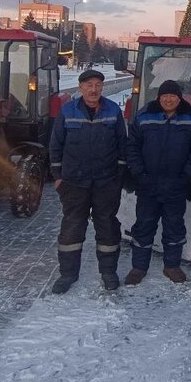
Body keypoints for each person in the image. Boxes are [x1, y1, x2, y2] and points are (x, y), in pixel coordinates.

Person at [49, 69, 128, 294]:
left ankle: (108, 272)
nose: (93, 89)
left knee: (107, 228)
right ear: (81, 87)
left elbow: (123, 145)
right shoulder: (67, 111)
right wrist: (58, 178)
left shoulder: (113, 110)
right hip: (74, 183)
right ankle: (68, 274)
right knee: (72, 228)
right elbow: (56, 146)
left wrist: (117, 179)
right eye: (89, 85)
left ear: (102, 88)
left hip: (105, 182)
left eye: (97, 85)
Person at [125, 80, 191, 285]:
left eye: (173, 96)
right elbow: (132, 147)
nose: (169, 99)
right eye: (165, 96)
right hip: (148, 184)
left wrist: (187, 175)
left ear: (179, 99)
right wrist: (139, 173)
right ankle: (138, 267)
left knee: (174, 226)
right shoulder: (143, 118)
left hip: (176, 185)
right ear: (158, 97)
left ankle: (172, 265)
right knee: (144, 225)